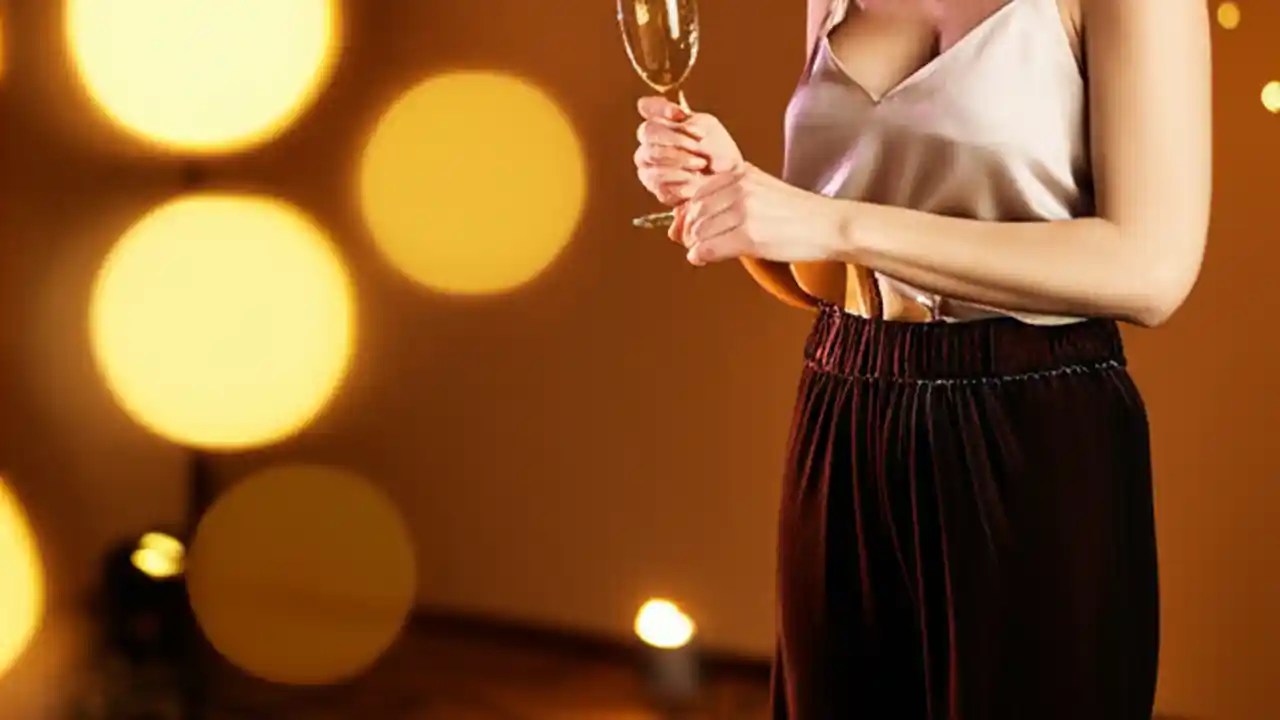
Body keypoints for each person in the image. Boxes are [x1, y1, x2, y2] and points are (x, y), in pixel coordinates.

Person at [631, 0, 1211, 717]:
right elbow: (825, 276)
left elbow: (1151, 269)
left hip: (1031, 424)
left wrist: (834, 222)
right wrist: (735, 195)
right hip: (843, 406)